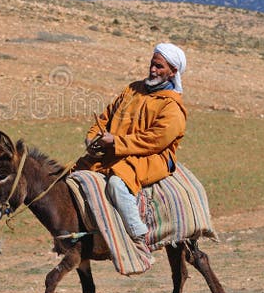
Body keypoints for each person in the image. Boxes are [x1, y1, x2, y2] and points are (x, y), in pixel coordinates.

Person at [73, 43, 187, 247]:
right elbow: (106, 117)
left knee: (117, 184)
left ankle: (139, 236)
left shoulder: (172, 107)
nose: (153, 70)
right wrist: (92, 138)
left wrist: (115, 142)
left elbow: (155, 140)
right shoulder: (133, 89)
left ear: (173, 71)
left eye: (159, 67)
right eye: (152, 64)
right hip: (117, 150)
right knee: (75, 173)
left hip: (152, 157)